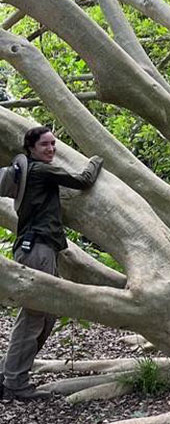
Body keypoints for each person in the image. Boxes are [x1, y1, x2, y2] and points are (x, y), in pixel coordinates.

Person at [1, 126, 103, 400]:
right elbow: (83, 180)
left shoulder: (30, 172)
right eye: (45, 144)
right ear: (31, 148)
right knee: (35, 315)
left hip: (37, 248)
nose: (51, 149)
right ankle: (14, 382)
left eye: (53, 144)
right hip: (37, 250)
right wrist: (96, 160)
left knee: (44, 315)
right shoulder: (40, 171)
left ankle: (9, 374)